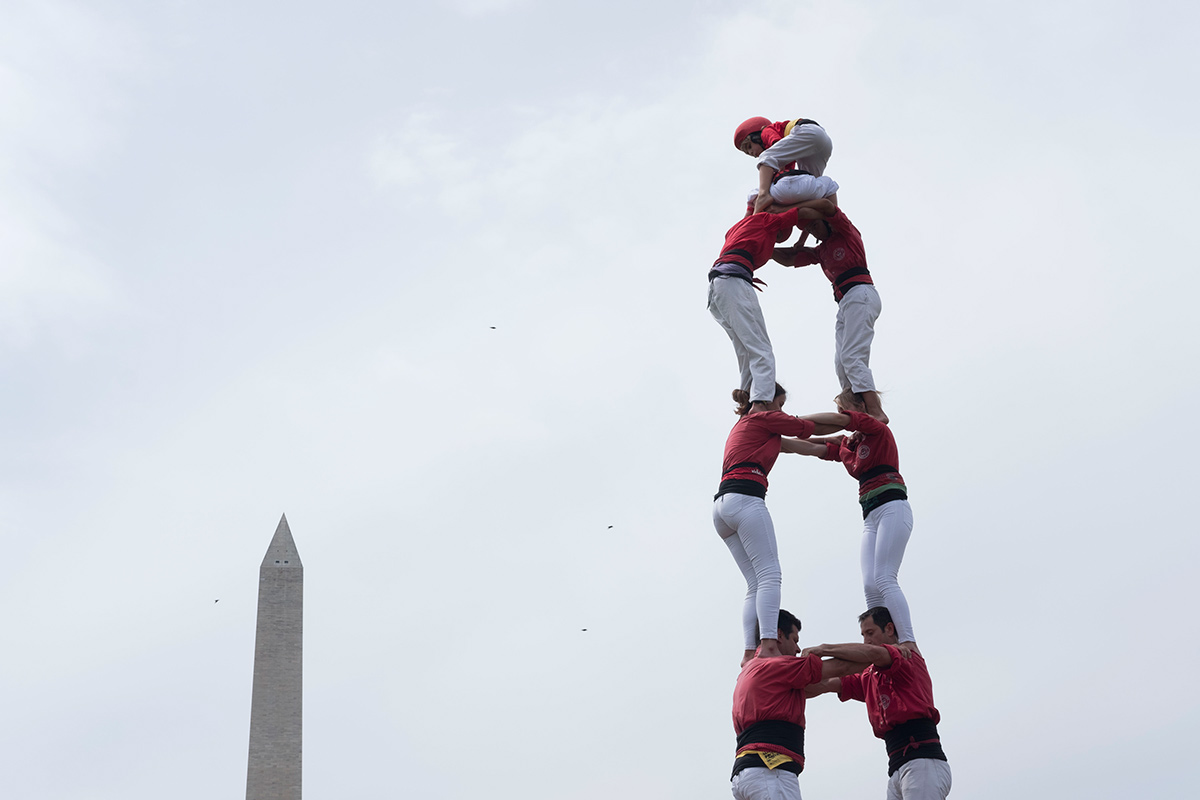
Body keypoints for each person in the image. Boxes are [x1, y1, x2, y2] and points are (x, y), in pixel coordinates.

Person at [714, 384, 848, 663]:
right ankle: (769, 646)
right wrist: (854, 421)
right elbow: (808, 426)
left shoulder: (748, 427)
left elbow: (802, 447)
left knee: (755, 583)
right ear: (766, 400)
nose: (782, 411)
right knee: (770, 576)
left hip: (722, 507)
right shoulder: (763, 417)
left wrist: (837, 442)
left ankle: (749, 653)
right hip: (745, 499)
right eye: (781, 404)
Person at [780, 391, 917, 650]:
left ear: (859, 409)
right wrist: (774, 437)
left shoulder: (875, 427)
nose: (842, 416)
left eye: (845, 411)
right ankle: (881, 642)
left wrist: (792, 421)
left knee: (885, 577)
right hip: (871, 515)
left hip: (892, 507)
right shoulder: (848, 445)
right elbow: (810, 446)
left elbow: (833, 422)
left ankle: (908, 640)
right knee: (869, 584)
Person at [803, 607, 952, 800]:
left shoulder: (906, 657)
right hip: (898, 765)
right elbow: (826, 685)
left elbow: (874, 654)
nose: (866, 640)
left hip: (922, 761)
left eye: (870, 633)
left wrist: (823, 649)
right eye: (863, 635)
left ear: (889, 629)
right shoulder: (869, 676)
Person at [709, 200, 837, 412]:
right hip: (733, 281)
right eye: (778, 236)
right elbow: (802, 212)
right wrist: (827, 212)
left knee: (745, 350)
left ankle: (747, 403)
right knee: (761, 349)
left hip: (718, 286)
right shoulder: (767, 220)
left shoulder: (738, 227)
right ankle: (761, 405)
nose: (775, 240)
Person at [730, 608, 867, 800]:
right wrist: (883, 654)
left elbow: (826, 684)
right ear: (778, 635)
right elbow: (842, 667)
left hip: (746, 775)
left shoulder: (749, 670)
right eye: (794, 640)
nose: (797, 648)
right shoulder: (777, 667)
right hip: (770, 771)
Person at [772, 204, 888, 422]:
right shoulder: (821, 250)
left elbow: (827, 206)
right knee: (841, 363)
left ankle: (875, 411)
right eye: (810, 229)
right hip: (846, 302)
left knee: (853, 357)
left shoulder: (846, 231)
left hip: (860, 294)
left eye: (815, 225)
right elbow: (789, 259)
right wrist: (764, 247)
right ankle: (857, 411)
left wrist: (800, 207)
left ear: (824, 220)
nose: (814, 231)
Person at [733, 116, 836, 215]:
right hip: (823, 144)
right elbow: (786, 174)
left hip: (808, 131)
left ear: (756, 136)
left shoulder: (766, 131)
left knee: (767, 156)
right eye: (748, 152)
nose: (751, 152)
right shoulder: (787, 153)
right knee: (810, 184)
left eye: (750, 146)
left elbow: (776, 143)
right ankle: (828, 216)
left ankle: (763, 195)